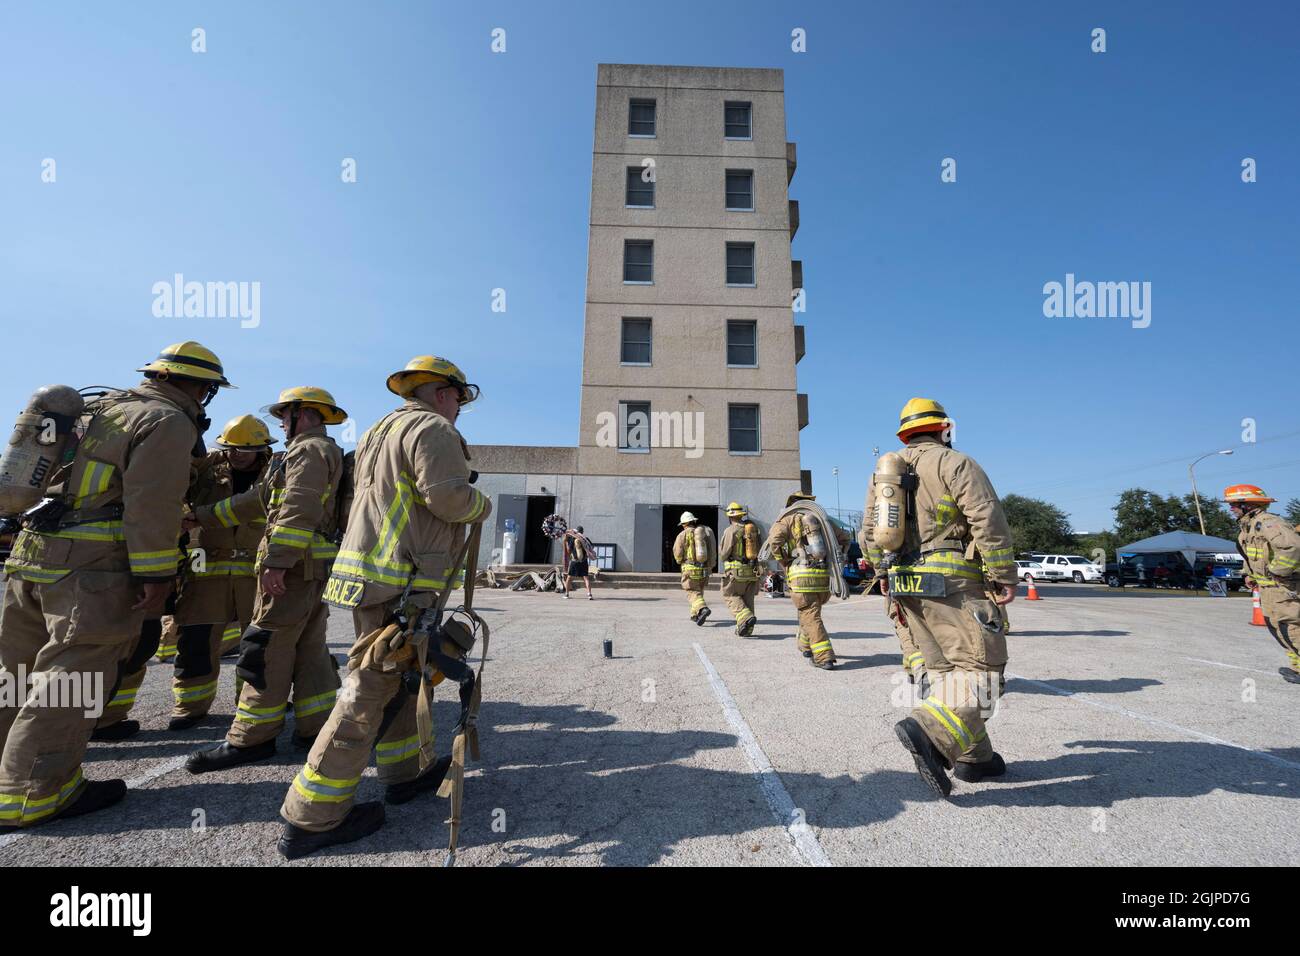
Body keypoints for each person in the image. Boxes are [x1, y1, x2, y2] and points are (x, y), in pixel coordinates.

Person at [0, 341, 231, 829]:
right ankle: (34, 794)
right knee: (68, 681)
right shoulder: (166, 421)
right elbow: (153, 504)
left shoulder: (94, 409)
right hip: (90, 572)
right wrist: (155, 574)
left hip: (31, 554)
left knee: (14, 674)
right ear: (201, 387)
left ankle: (5, 773)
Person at [277, 355, 492, 858]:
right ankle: (312, 816)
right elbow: (447, 498)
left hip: (373, 577)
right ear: (443, 393)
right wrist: (481, 504)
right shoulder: (433, 428)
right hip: (401, 582)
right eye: (459, 398)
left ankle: (405, 773)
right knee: (368, 688)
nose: (459, 408)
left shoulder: (380, 430)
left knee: (404, 675)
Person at [860, 398, 1018, 797]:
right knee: (983, 671)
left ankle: (974, 759)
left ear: (905, 434)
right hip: (951, 582)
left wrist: (882, 573)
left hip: (904, 582)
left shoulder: (885, 475)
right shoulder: (956, 463)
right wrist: (1003, 574)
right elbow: (986, 516)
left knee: (947, 673)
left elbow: (869, 531)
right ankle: (929, 732)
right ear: (943, 429)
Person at [184, 387, 346, 773]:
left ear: (302, 414)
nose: (279, 423)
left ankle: (251, 739)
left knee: (265, 648)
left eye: (284, 415)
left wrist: (277, 561)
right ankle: (315, 729)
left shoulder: (307, 451)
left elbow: (298, 507)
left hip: (291, 571)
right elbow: (256, 500)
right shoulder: (317, 451)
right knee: (308, 650)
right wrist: (202, 516)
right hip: (308, 572)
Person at [168, 414, 274, 729]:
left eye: (246, 448)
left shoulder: (275, 474)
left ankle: (251, 705)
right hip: (203, 568)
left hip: (254, 571)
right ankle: (189, 707)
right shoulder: (207, 469)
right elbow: (173, 474)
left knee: (257, 644)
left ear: (261, 448)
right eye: (231, 447)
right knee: (195, 640)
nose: (237, 454)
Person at [1226, 484, 1300, 684]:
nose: (1230, 508)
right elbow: (1251, 554)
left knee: (1290, 627)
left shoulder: (1268, 523)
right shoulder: (1249, 527)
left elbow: (1292, 546)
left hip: (1282, 587)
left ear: (1247, 505)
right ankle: (1297, 667)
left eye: (1234, 504)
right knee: (1277, 628)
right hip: (1268, 588)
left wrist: (1278, 571)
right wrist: (1250, 574)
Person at [768, 492, 846, 669]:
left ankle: (823, 656)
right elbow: (844, 539)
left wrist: (786, 561)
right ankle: (805, 646)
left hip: (801, 576)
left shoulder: (787, 520)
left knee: (810, 614)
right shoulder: (823, 520)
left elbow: (775, 542)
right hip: (823, 577)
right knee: (810, 613)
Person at [718, 502, 760, 635]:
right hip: (752, 571)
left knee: (730, 594)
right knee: (748, 600)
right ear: (741, 514)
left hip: (736, 572)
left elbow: (724, 554)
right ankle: (747, 630)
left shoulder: (731, 530)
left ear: (730, 516)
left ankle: (746, 618)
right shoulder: (753, 529)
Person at [672, 512, 715, 625]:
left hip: (690, 569)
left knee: (692, 592)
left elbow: (678, 553)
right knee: (699, 592)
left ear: (684, 524)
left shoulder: (682, 535)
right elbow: (710, 550)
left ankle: (702, 609)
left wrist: (679, 561)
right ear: (693, 521)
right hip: (703, 569)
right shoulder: (703, 534)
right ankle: (695, 614)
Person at [562, 525, 595, 599]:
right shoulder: (585, 538)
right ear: (582, 532)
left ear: (576, 532)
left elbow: (568, 551)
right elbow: (591, 547)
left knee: (569, 577)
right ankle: (589, 594)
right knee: (586, 578)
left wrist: (566, 542)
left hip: (575, 561)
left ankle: (566, 594)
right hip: (583, 561)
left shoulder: (572, 539)